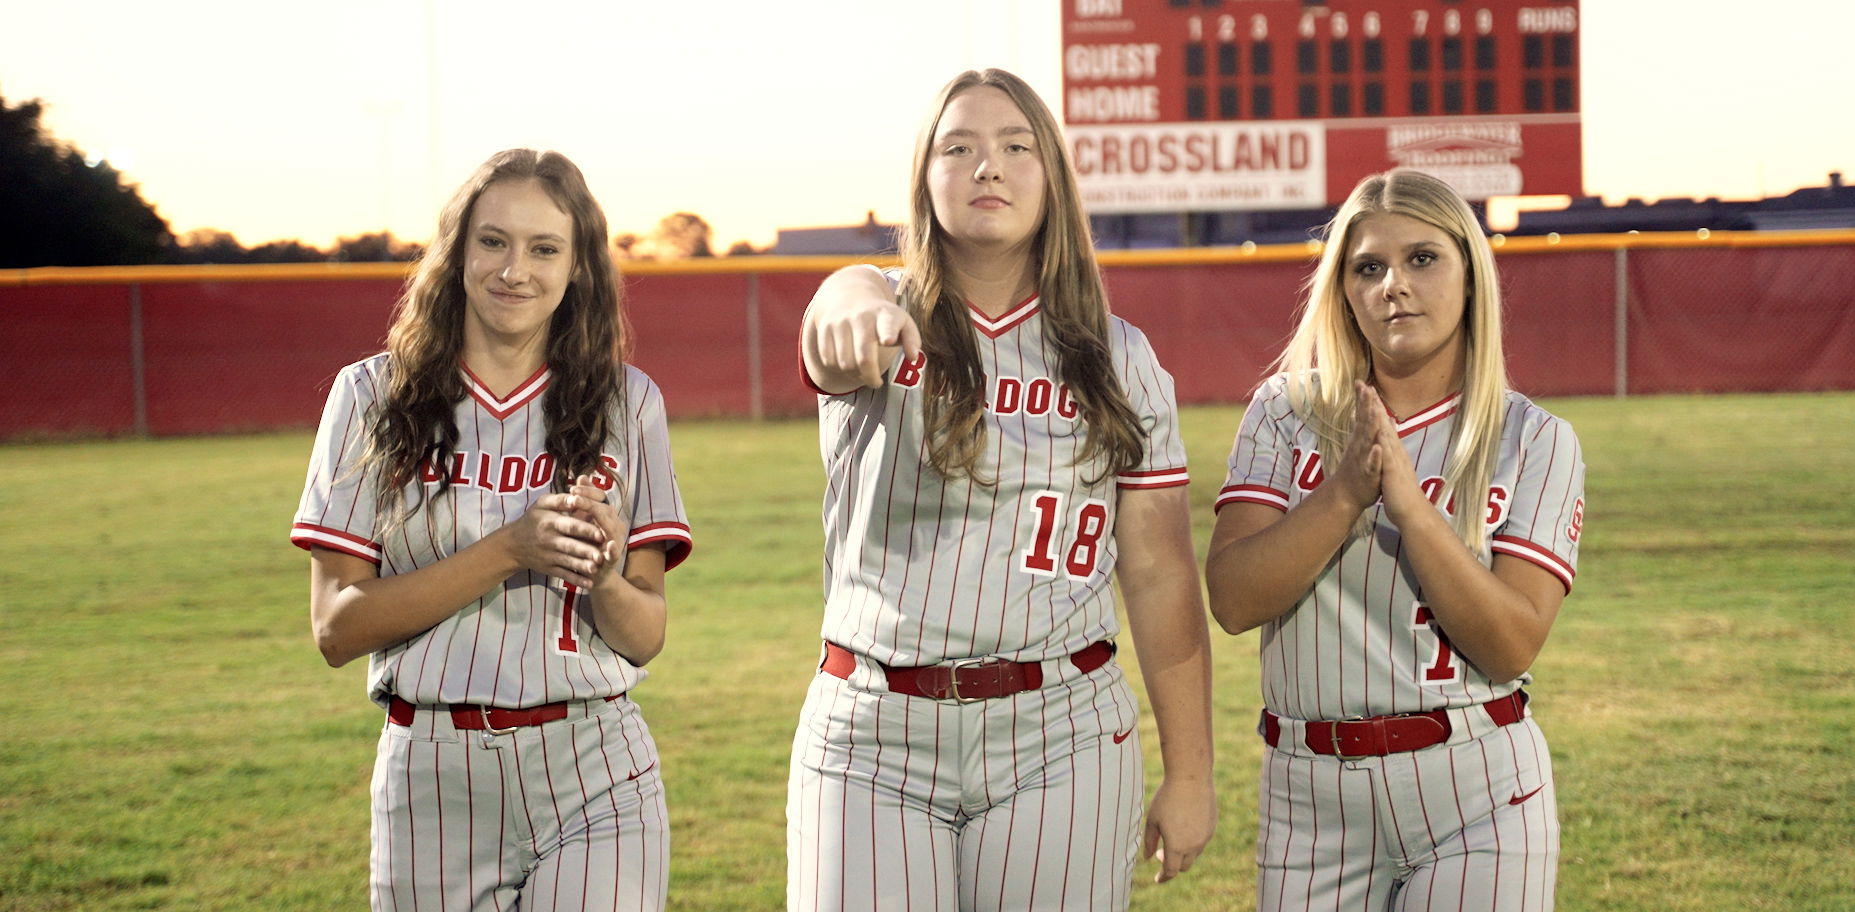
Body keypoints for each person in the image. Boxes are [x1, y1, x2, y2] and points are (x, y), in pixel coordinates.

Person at [787, 68, 1216, 911]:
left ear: (1051, 175)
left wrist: (1191, 774)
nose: (990, 166)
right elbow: (835, 318)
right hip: (874, 726)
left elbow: (1162, 576)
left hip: (1062, 727)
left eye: (1017, 147)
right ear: (926, 180)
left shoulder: (1121, 355)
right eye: (961, 148)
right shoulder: (880, 319)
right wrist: (848, 293)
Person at [292, 148, 691, 911]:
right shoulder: (370, 396)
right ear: (456, 250)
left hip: (596, 762)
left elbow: (643, 636)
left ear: (577, 268)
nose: (516, 270)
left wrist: (603, 575)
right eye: (493, 242)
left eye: (545, 249)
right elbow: (337, 629)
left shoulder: (627, 403)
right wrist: (512, 549)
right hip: (433, 770)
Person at [1206, 169, 1586, 910]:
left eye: (1422, 259)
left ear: (1470, 276)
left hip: (1476, 782)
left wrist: (1413, 511)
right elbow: (1231, 598)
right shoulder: (1286, 411)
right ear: (1343, 290)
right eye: (1368, 267)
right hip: (1310, 794)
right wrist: (1346, 492)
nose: (1393, 286)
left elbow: (1513, 644)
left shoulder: (1533, 438)